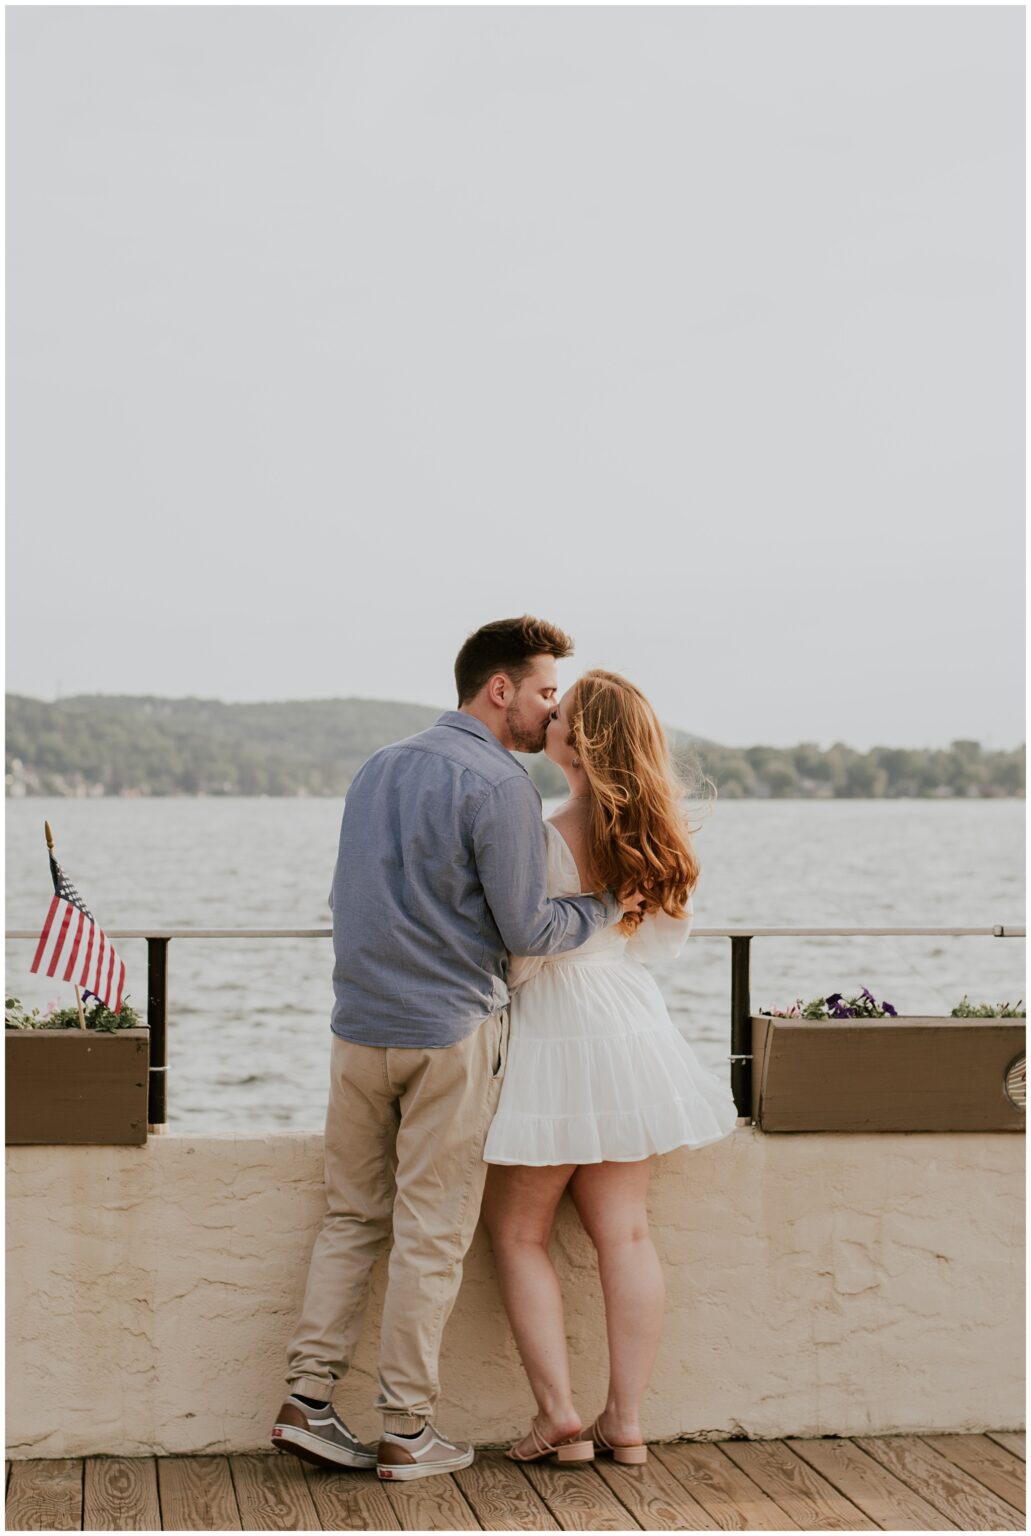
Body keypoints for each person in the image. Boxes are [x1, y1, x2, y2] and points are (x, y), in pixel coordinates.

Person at [272, 618, 638, 1483]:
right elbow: (528, 927)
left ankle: (307, 1400)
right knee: (431, 1233)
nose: (553, 712)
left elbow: (349, 896)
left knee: (352, 1218)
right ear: (499, 689)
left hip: (357, 1029)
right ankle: (406, 1429)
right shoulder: (499, 785)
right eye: (546, 692)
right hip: (449, 1036)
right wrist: (607, 905)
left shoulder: (380, 766)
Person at [481, 669, 739, 1466]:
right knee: (625, 1234)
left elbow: (521, 950)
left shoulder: (545, 831)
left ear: (576, 743)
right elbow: (659, 945)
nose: (548, 715)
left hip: (555, 1027)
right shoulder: (651, 836)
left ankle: (558, 1415)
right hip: (626, 1025)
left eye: (560, 712)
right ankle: (622, 1420)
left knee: (517, 1231)